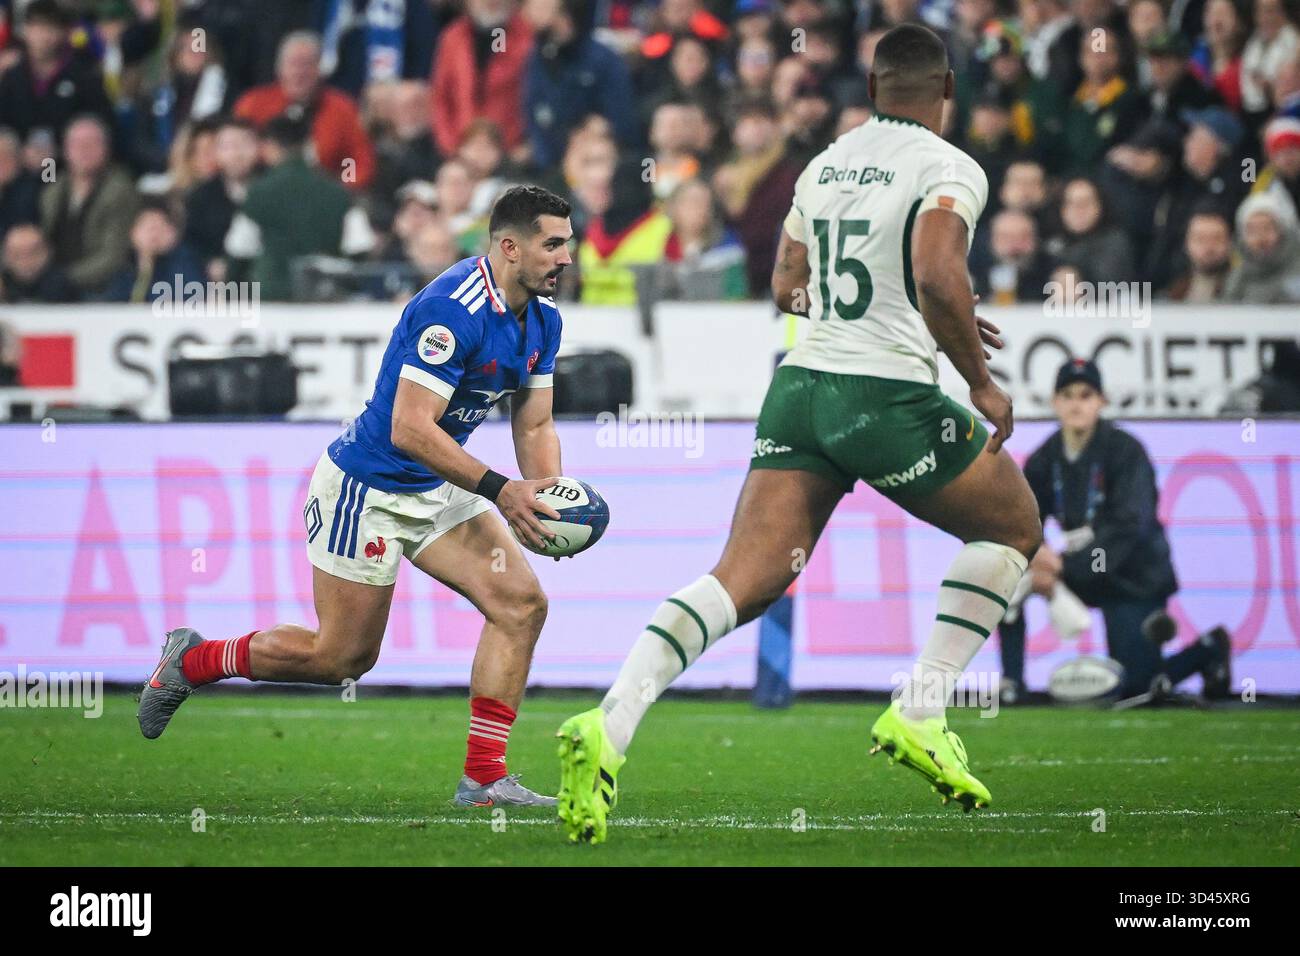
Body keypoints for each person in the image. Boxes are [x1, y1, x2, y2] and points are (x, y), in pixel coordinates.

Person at [554, 24, 1043, 844]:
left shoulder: (826, 163)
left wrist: (872, 313)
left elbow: (786, 285)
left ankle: (610, 723)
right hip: (883, 394)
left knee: (740, 582)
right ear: (947, 89)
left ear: (874, 87)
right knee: (1015, 526)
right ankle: (922, 707)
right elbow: (936, 271)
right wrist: (979, 379)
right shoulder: (949, 167)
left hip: (800, 389)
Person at [138, 186, 576, 809]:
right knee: (339, 659)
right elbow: (409, 429)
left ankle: (484, 779)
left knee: (521, 606)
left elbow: (533, 425)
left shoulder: (544, 320)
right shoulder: (452, 311)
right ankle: (195, 660)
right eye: (553, 244)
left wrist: (549, 501)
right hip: (366, 489)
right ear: (510, 247)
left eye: (567, 243)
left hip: (438, 485)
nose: (566, 257)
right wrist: (503, 491)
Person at [997, 359, 1231, 701]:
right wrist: (1037, 557)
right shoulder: (1044, 459)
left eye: (1086, 395)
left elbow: (1130, 527)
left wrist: (1062, 566)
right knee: (1006, 574)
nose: (1076, 404)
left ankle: (1209, 649)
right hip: (1081, 567)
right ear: (1055, 402)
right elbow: (1021, 518)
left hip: (1132, 575)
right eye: (1067, 395)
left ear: (1101, 401)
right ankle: (1012, 684)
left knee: (1134, 689)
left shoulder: (1126, 451)